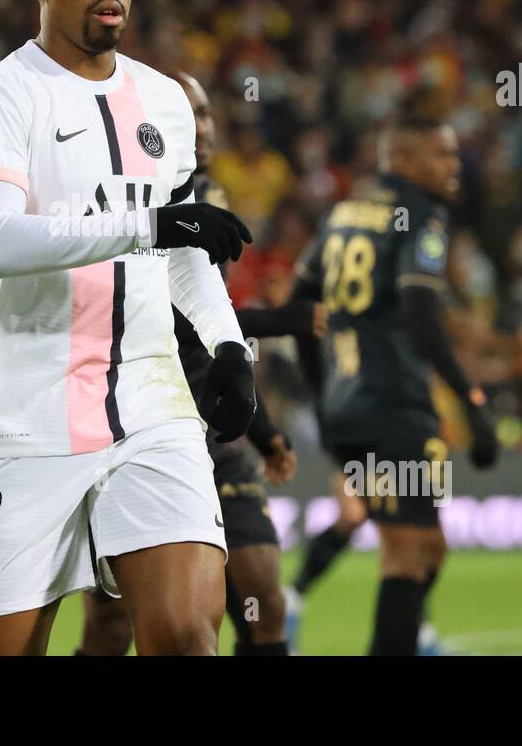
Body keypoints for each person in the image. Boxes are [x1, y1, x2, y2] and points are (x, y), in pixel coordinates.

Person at [0, 0, 256, 655]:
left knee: (186, 636)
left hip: (153, 410)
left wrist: (227, 342)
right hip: (31, 420)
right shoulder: (3, 92)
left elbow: (184, 245)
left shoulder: (164, 100)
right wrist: (145, 223)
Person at [76, 71, 323, 656]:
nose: (202, 126)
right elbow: (172, 315)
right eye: (189, 113)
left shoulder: (208, 195)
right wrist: (279, 324)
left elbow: (212, 320)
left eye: (207, 114)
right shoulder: (130, 195)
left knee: (264, 604)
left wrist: (255, 425)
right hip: (134, 421)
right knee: (114, 625)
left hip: (214, 427)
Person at [290, 113, 500, 655]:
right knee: (406, 551)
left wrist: (322, 396)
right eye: (442, 155)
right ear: (402, 159)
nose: (455, 167)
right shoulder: (421, 214)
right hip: (393, 404)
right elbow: (420, 308)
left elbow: (299, 301)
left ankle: (412, 638)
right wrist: (470, 397)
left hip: (347, 407)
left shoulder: (344, 212)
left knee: (427, 546)